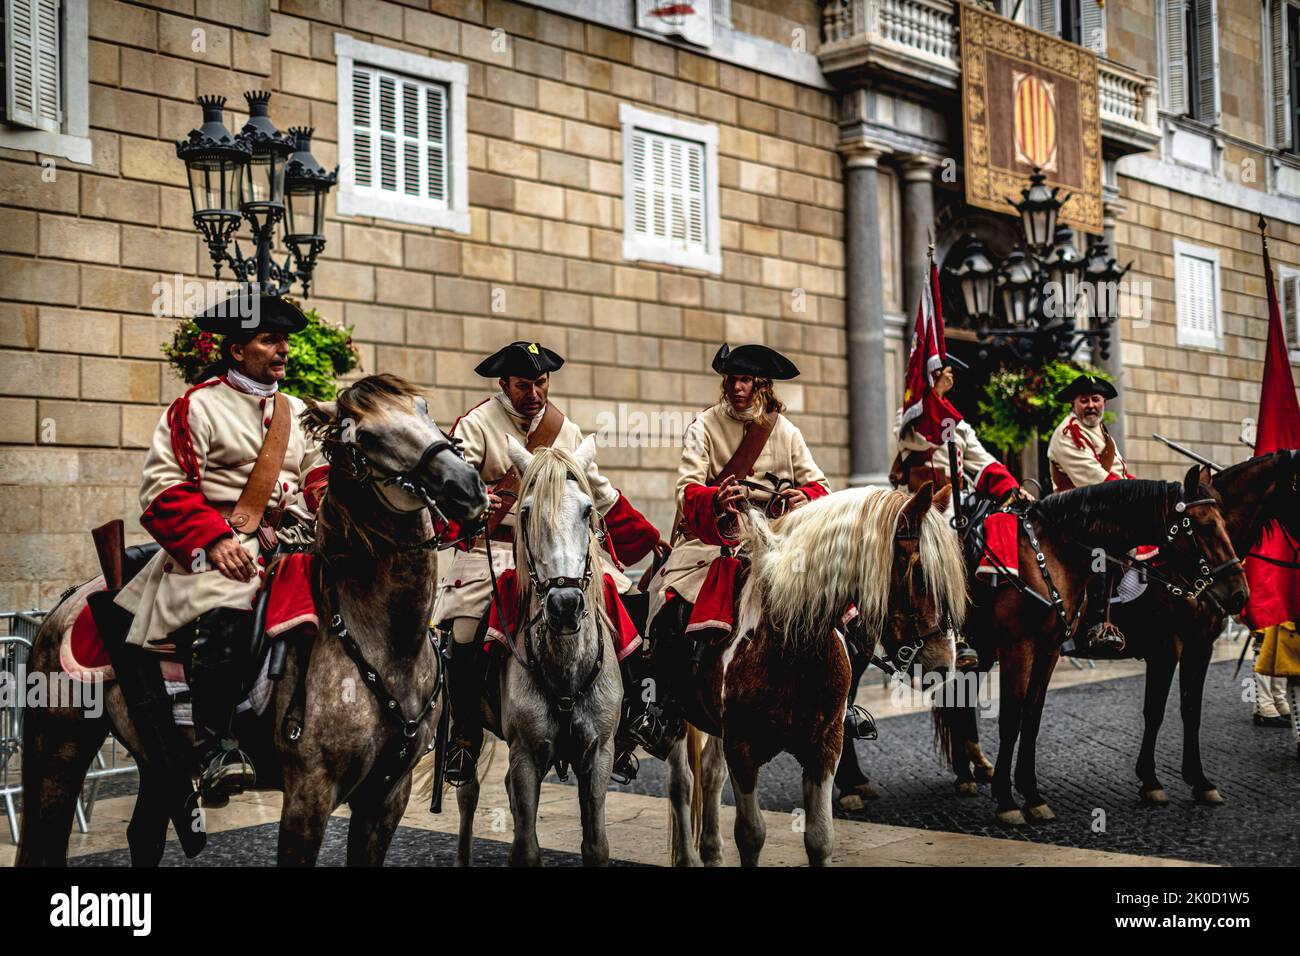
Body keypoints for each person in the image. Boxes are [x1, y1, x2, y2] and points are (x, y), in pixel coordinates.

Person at [113, 293, 329, 805]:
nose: (282, 350)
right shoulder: (197, 406)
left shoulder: (298, 411)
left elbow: (319, 473)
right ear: (237, 350)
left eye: (284, 341)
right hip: (211, 549)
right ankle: (214, 744)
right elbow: (164, 486)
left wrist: (327, 503)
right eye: (268, 340)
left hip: (290, 540)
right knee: (231, 600)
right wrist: (213, 538)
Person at [434, 342, 663, 785]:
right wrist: (488, 504)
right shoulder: (476, 425)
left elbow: (597, 490)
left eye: (541, 383)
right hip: (496, 549)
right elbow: (453, 488)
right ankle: (464, 736)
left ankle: (629, 719)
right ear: (504, 384)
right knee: (463, 632)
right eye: (524, 385)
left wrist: (650, 537)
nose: (535, 394)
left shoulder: (566, 430)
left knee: (629, 599)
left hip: (562, 550)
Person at [645, 344, 831, 736]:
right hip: (716, 538)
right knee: (667, 598)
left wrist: (806, 496)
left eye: (745, 379)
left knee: (834, 600)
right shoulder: (704, 425)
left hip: (777, 539)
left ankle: (836, 698)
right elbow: (686, 488)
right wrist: (715, 498)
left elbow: (819, 485)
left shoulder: (786, 431)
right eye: (730, 379)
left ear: (761, 385)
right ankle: (664, 703)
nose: (736, 387)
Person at [891, 363, 1030, 668]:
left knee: (980, 536)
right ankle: (953, 631)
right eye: (946, 370)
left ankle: (986, 619)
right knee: (947, 543)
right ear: (932, 377)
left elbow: (982, 461)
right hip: (919, 503)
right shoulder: (911, 415)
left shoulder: (959, 424)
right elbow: (918, 439)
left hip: (954, 501)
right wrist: (935, 397)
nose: (952, 375)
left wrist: (1012, 487)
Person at [1046, 373, 1132, 653]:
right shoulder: (1067, 434)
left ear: (1103, 402)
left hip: (1104, 505)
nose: (1091, 405)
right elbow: (1096, 481)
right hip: (1076, 510)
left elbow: (1119, 472)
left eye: (1096, 399)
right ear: (1074, 403)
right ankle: (1097, 624)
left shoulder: (1102, 431)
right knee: (1103, 545)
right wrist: (1135, 497)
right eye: (1084, 401)